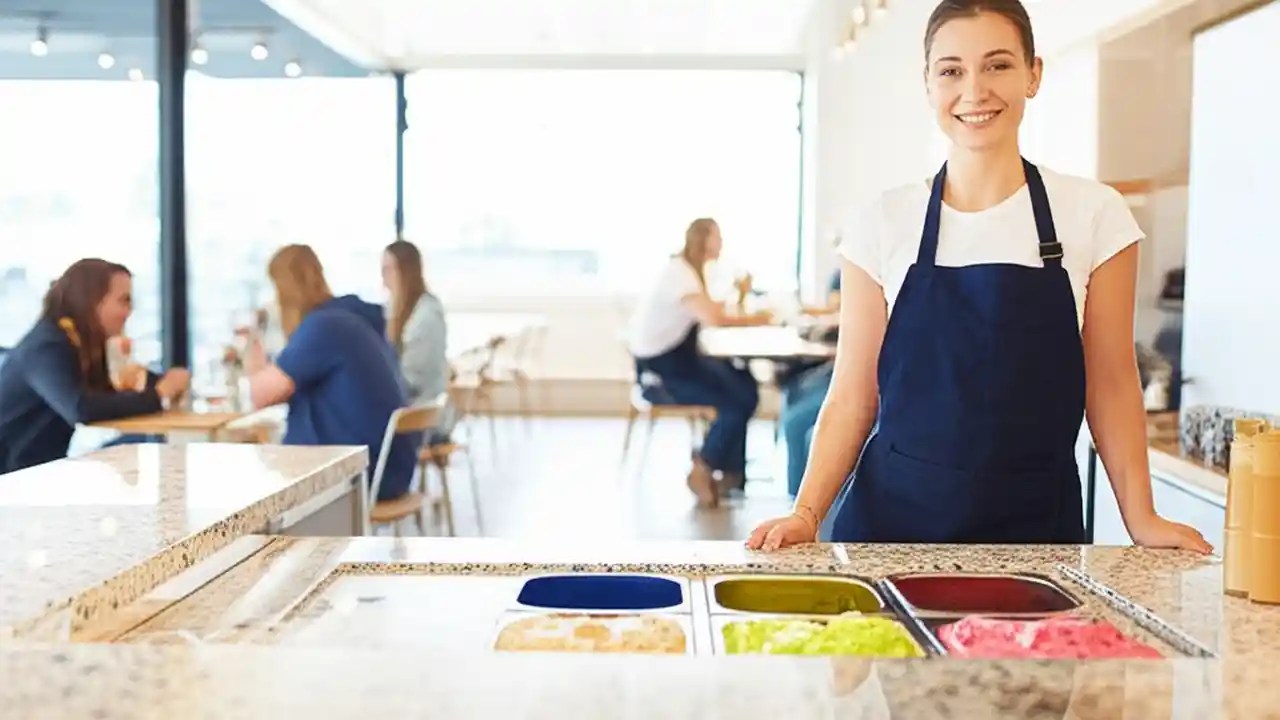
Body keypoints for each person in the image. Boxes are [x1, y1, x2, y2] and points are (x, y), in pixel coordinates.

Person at [748, 0, 1211, 553]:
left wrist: (1142, 520)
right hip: (892, 531)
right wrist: (806, 513)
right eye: (951, 70)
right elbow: (853, 395)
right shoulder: (881, 221)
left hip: (1038, 534)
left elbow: (1110, 383)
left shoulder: (1095, 214)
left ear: (1033, 74)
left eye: (997, 65)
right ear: (928, 84)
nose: (974, 90)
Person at [243, 244, 419, 502]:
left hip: (360, 475)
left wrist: (252, 352)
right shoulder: (352, 318)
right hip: (391, 469)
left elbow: (260, 395)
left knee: (253, 476)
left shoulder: (324, 327)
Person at [628, 218, 772, 507]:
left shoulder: (689, 272)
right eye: (717, 237)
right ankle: (705, 466)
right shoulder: (680, 276)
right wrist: (758, 318)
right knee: (734, 401)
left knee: (743, 382)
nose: (721, 243)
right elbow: (713, 318)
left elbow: (710, 311)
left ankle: (730, 472)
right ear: (703, 239)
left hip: (680, 361)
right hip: (661, 373)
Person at [0, 259, 190, 472]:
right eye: (124, 301)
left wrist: (161, 384)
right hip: (11, 482)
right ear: (92, 301)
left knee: (145, 443)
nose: (129, 311)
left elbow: (114, 391)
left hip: (37, 472)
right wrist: (159, 393)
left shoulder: (78, 345)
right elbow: (81, 408)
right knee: (144, 446)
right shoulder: (46, 346)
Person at [779, 269, 843, 497]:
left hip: (860, 373)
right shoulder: (843, 271)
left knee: (796, 424)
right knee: (794, 388)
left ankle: (797, 504)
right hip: (840, 367)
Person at [382, 239, 453, 444]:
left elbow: (413, 379)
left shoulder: (426, 315)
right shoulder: (398, 310)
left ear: (406, 271)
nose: (383, 279)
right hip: (411, 412)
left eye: (388, 269)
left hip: (424, 421)